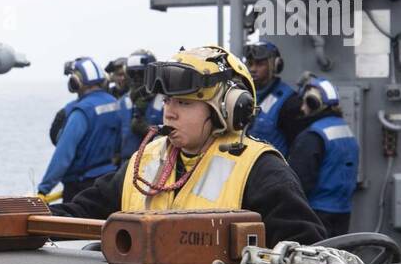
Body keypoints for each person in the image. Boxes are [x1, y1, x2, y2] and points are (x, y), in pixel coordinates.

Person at [53, 46, 327, 246]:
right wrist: (23, 217)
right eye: (168, 101)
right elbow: (80, 213)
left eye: (184, 103)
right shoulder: (146, 162)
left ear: (229, 108)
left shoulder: (259, 170)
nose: (169, 113)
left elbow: (307, 250)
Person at [39, 56, 122, 202]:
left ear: (76, 82)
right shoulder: (115, 103)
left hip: (81, 187)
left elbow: (64, 154)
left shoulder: (81, 112)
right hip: (110, 182)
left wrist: (44, 189)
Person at [287, 78, 359, 237]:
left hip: (316, 214)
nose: (302, 107)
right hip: (342, 212)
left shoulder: (312, 136)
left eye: (307, 102)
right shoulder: (345, 130)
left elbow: (299, 180)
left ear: (315, 104)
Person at [243, 40, 301, 156]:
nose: (253, 69)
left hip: (274, 170)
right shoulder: (242, 96)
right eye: (250, 64)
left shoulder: (289, 101)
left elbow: (297, 149)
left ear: (275, 65)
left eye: (259, 64)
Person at [117, 51, 165, 162]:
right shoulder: (122, 102)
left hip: (155, 163)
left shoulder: (166, 100)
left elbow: (175, 137)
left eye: (141, 73)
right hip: (126, 164)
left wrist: (148, 130)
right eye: (132, 74)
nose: (136, 78)